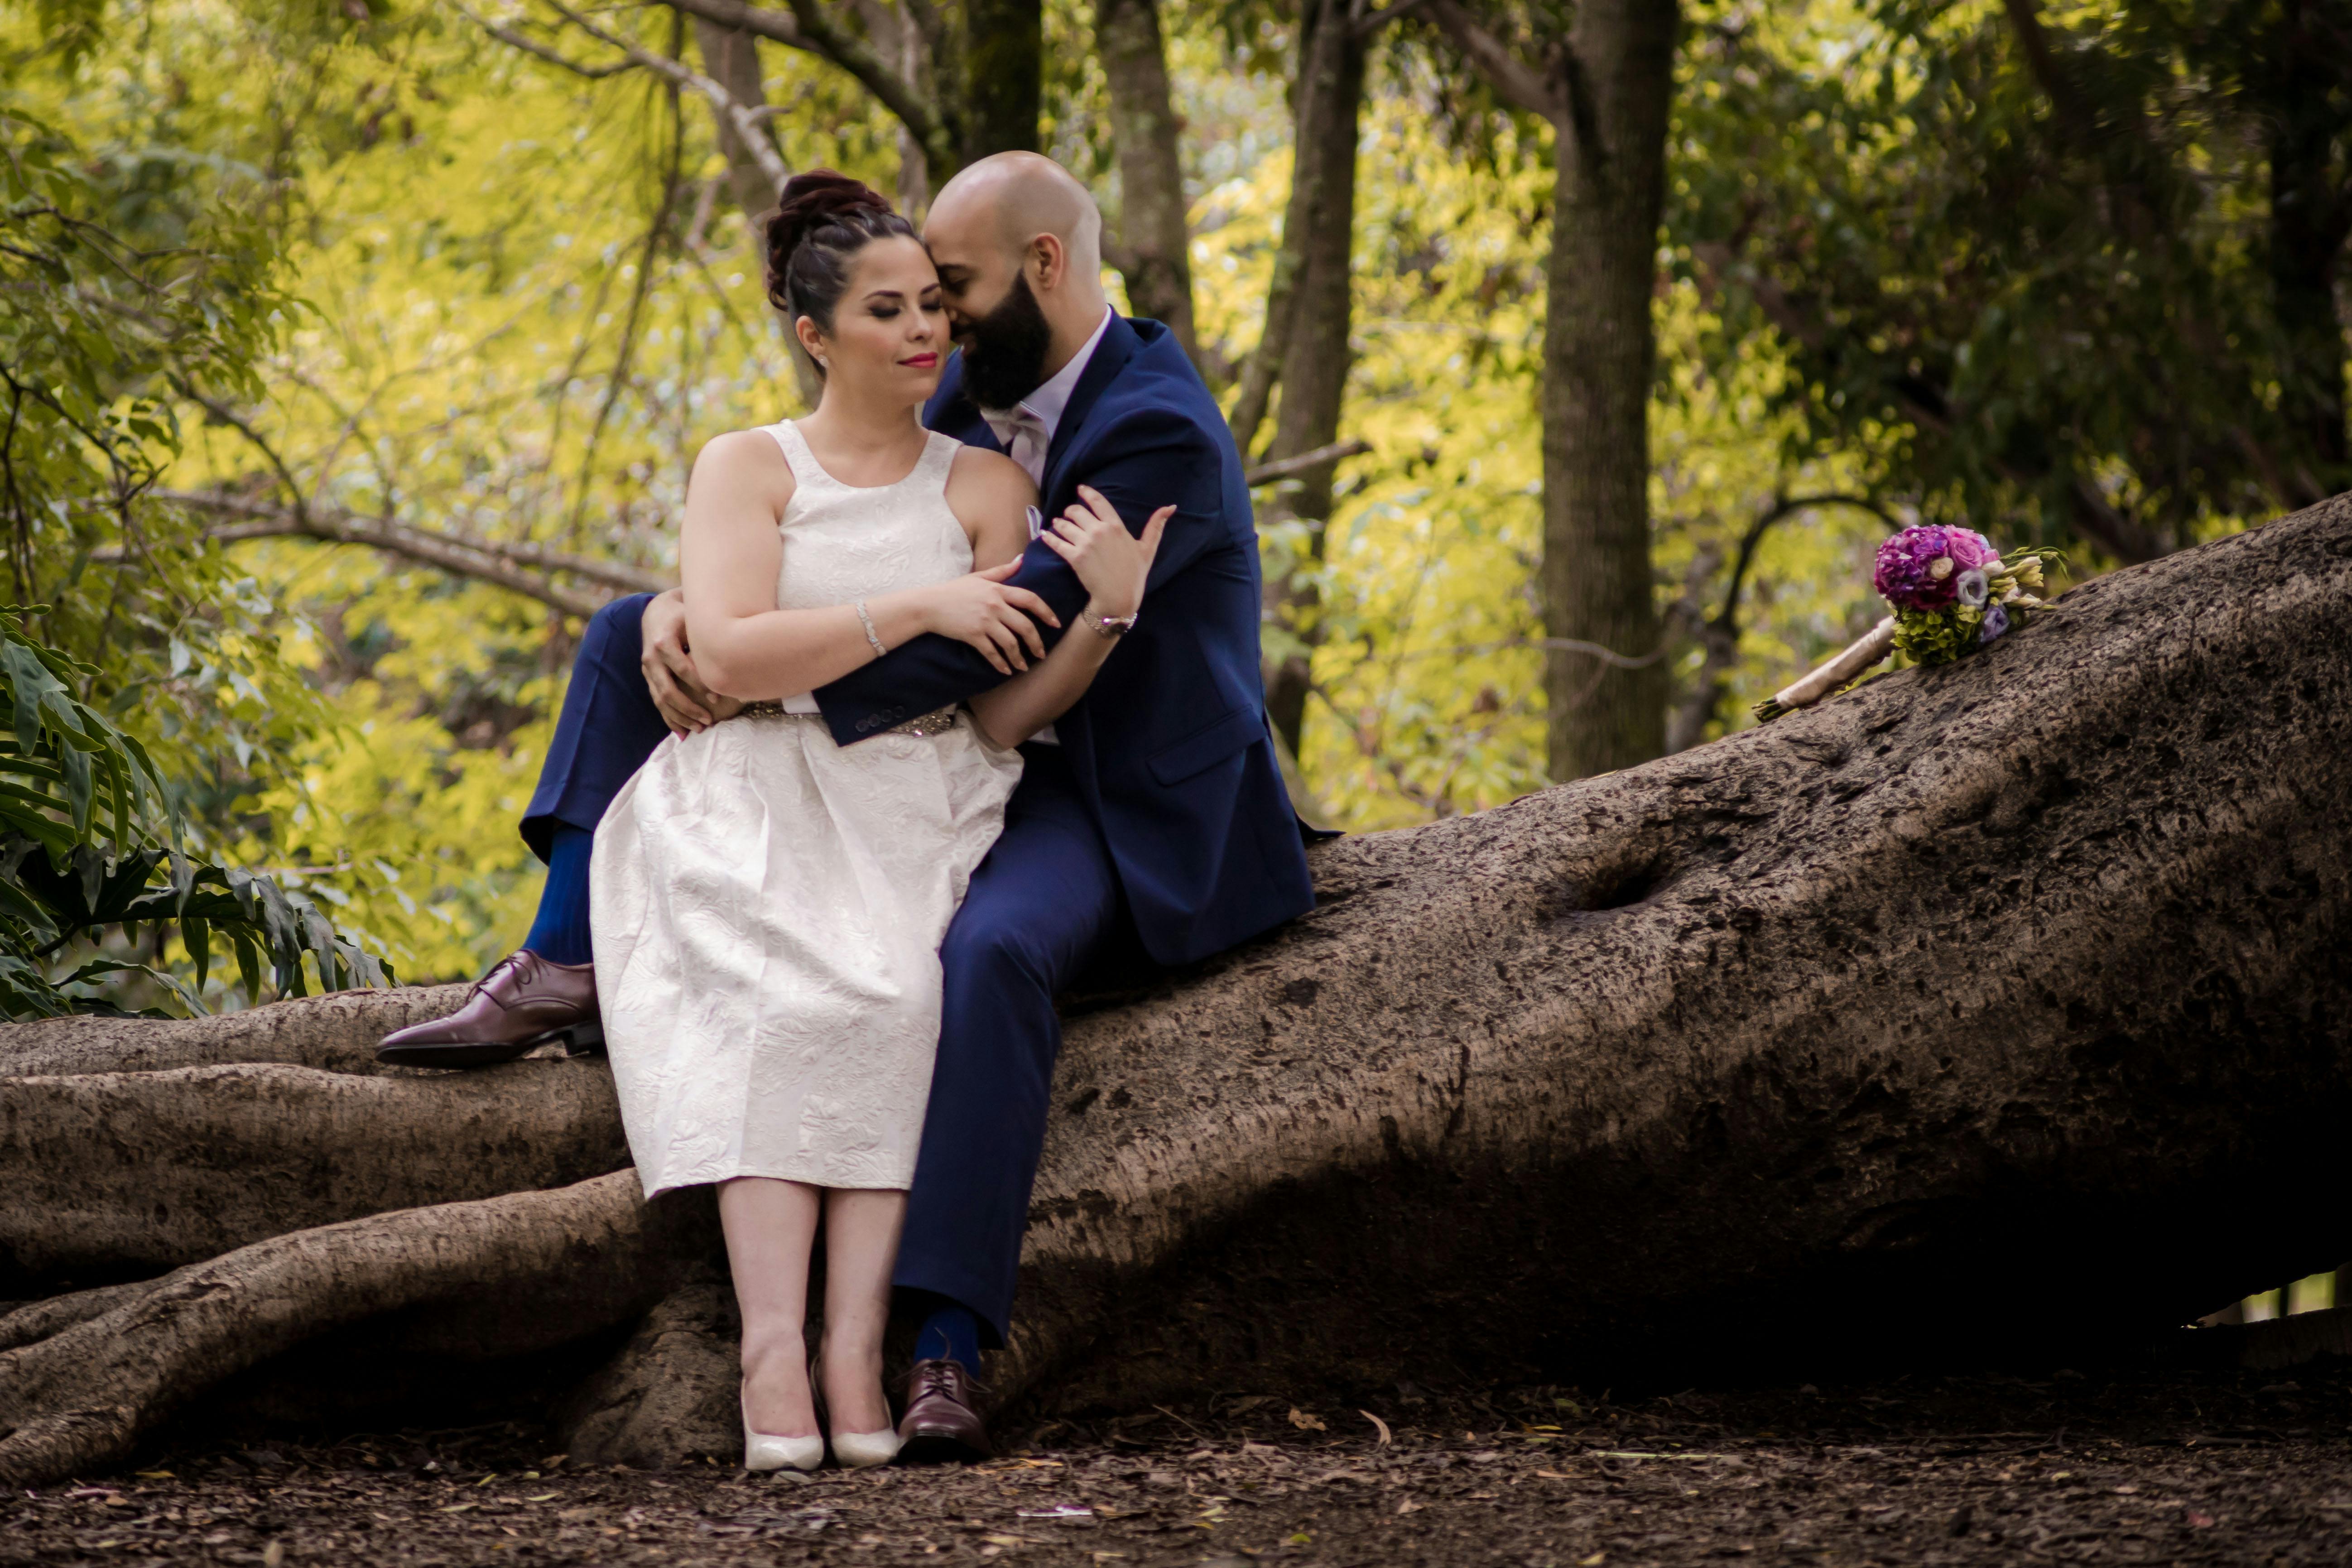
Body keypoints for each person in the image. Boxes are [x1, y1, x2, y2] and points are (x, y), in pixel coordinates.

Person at [378, 152, 1320, 1459]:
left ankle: (944, 1344)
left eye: (952, 288)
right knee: (621, 632)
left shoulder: (1152, 424)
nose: (935, 319)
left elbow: (985, 650)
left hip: (1119, 792)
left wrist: (741, 671)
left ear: (1043, 267)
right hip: (983, 757)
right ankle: (562, 953)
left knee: (984, 955)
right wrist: (689, 619)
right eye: (908, 299)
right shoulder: (981, 386)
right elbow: (859, 525)